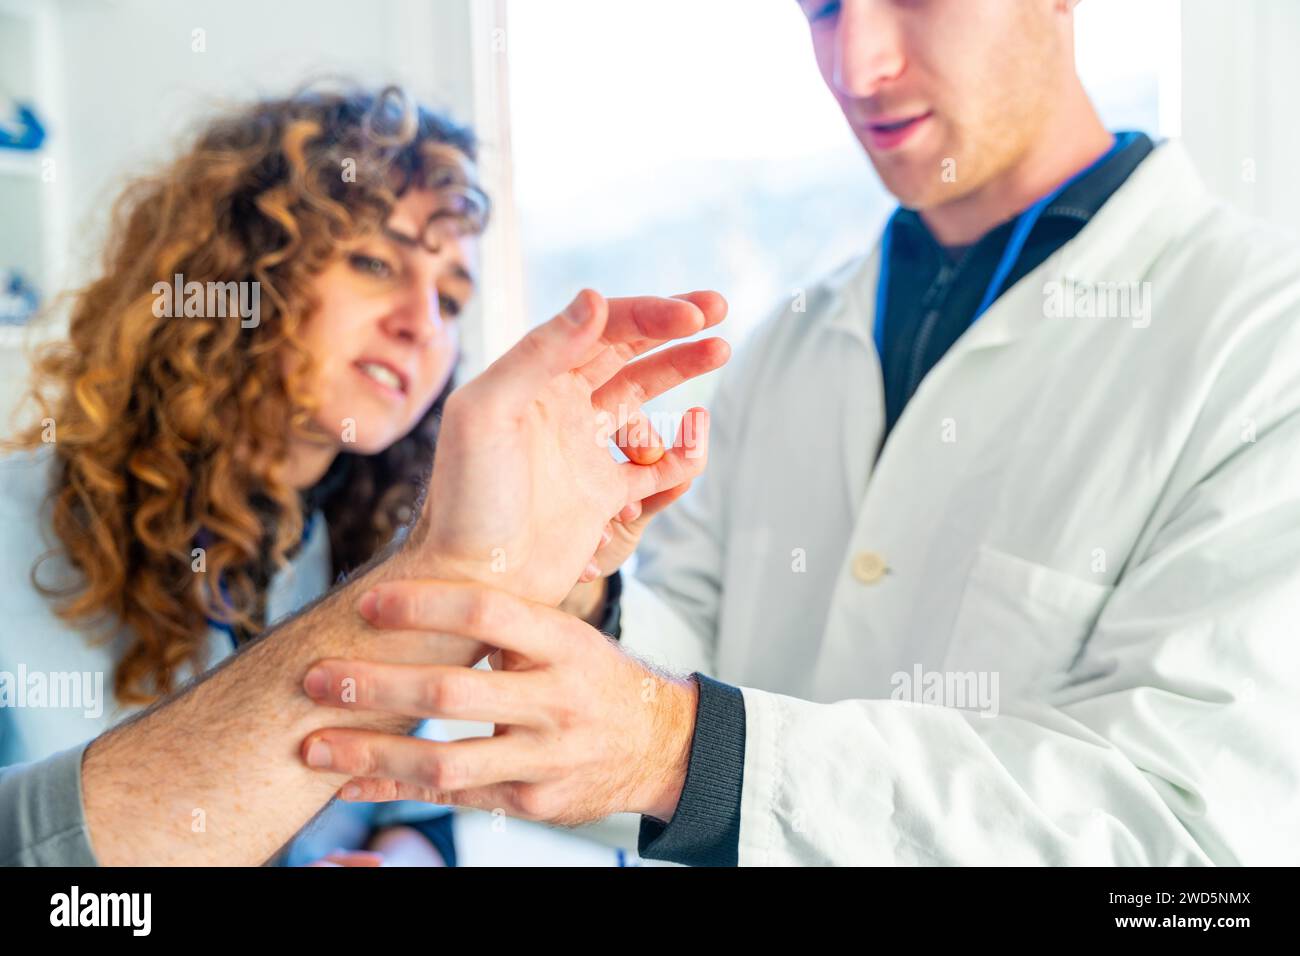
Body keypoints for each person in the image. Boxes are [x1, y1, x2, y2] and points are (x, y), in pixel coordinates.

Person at [296, 0, 1300, 865]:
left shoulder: (1263, 344)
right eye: (820, 5)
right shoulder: (791, 342)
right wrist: (577, 593)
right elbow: (683, 666)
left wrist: (683, 749)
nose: (857, 65)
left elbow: (1190, 844)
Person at [0, 86, 729, 866]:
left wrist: (406, 847)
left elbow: (412, 786)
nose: (421, 321)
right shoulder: (18, 521)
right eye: (378, 262)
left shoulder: (373, 535)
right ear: (244, 271)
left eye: (451, 298)